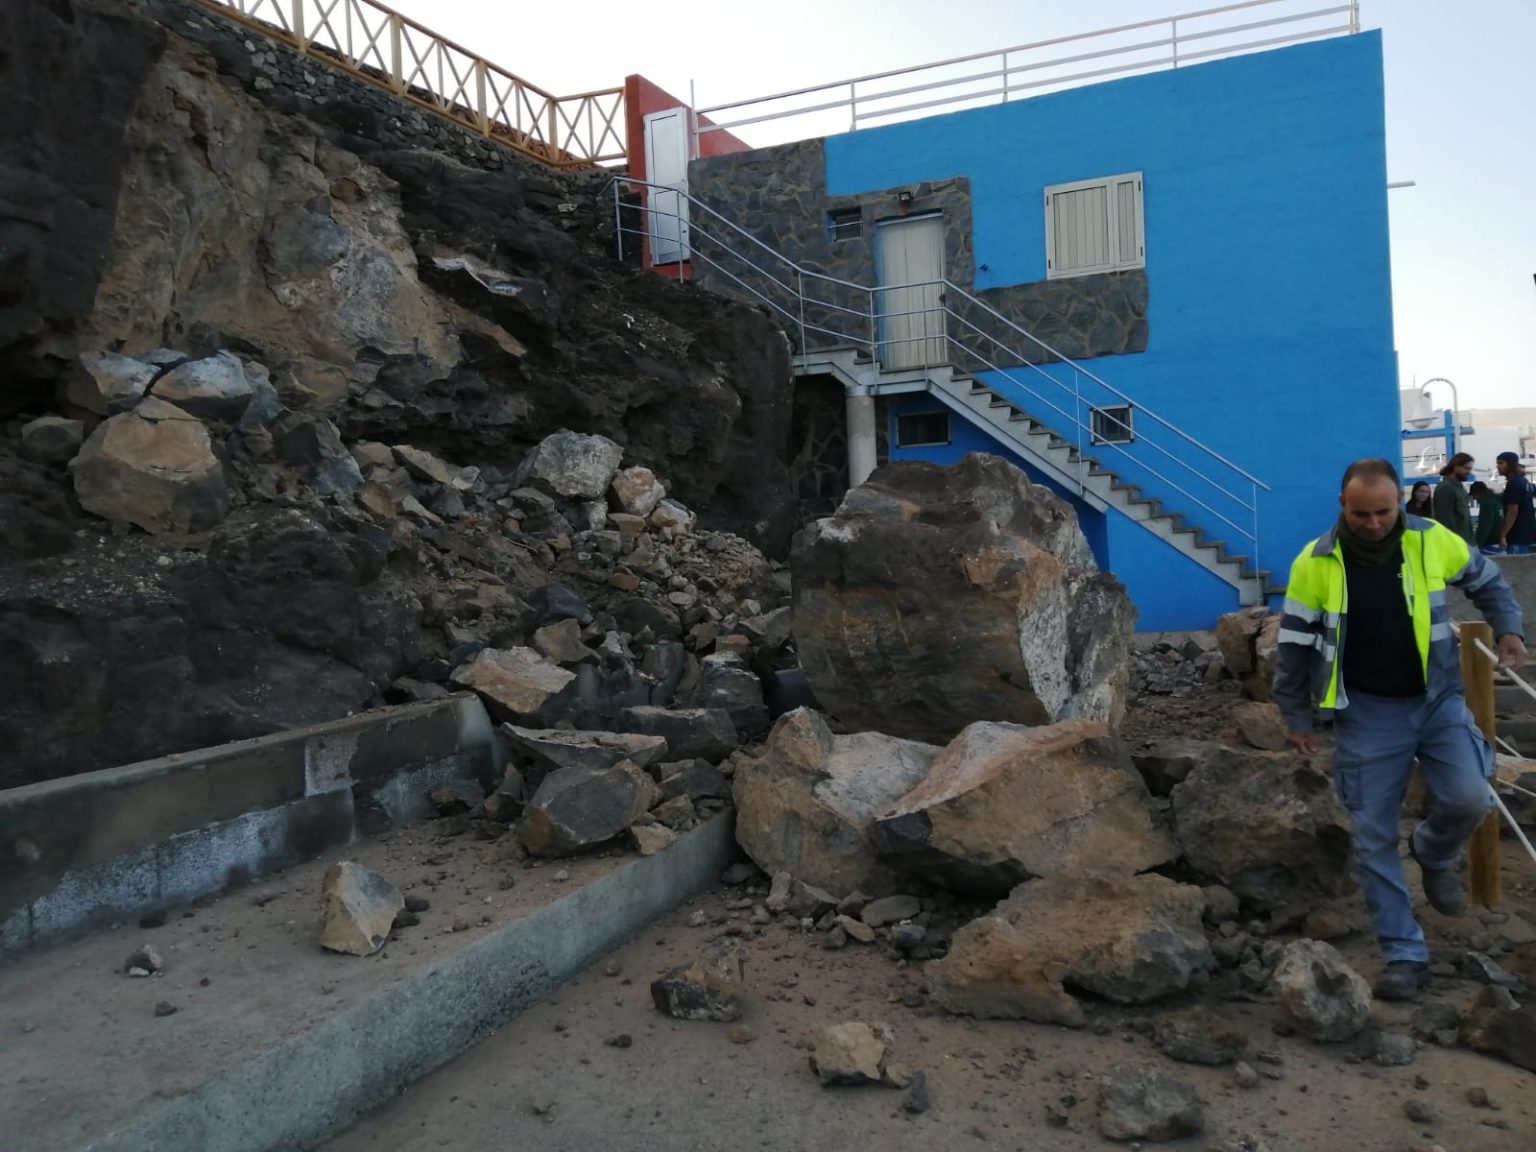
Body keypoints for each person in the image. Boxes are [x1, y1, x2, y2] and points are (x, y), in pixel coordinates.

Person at [1274, 458, 1526, 1001]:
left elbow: (1487, 581)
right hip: (1366, 711)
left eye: (1383, 513)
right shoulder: (1315, 563)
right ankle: (1403, 953)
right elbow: (1292, 645)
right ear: (1342, 506)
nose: (1373, 524)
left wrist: (1508, 629)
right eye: (1361, 514)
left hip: (1438, 702)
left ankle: (1432, 851)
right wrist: (1295, 715)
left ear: (1400, 504)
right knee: (1372, 837)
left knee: (1470, 797)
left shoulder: (1430, 539)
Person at [1495, 451, 1536, 554]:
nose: (1497, 466)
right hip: (1528, 536)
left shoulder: (1513, 484)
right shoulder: (1524, 481)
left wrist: (1503, 535)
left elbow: (1512, 512)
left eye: (1501, 463)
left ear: (1510, 464)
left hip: (1517, 537)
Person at [1432, 452, 1475, 546]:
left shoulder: (1459, 487)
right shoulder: (1446, 488)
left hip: (1465, 541)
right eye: (1466, 468)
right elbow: (1444, 519)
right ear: (1456, 466)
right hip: (1455, 543)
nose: (1469, 472)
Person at [1470, 481, 1504, 552]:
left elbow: (1485, 526)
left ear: (1479, 492)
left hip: (1490, 543)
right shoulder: (1496, 500)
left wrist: (1477, 544)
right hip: (1499, 541)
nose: (1474, 499)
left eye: (1474, 496)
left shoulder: (1486, 504)